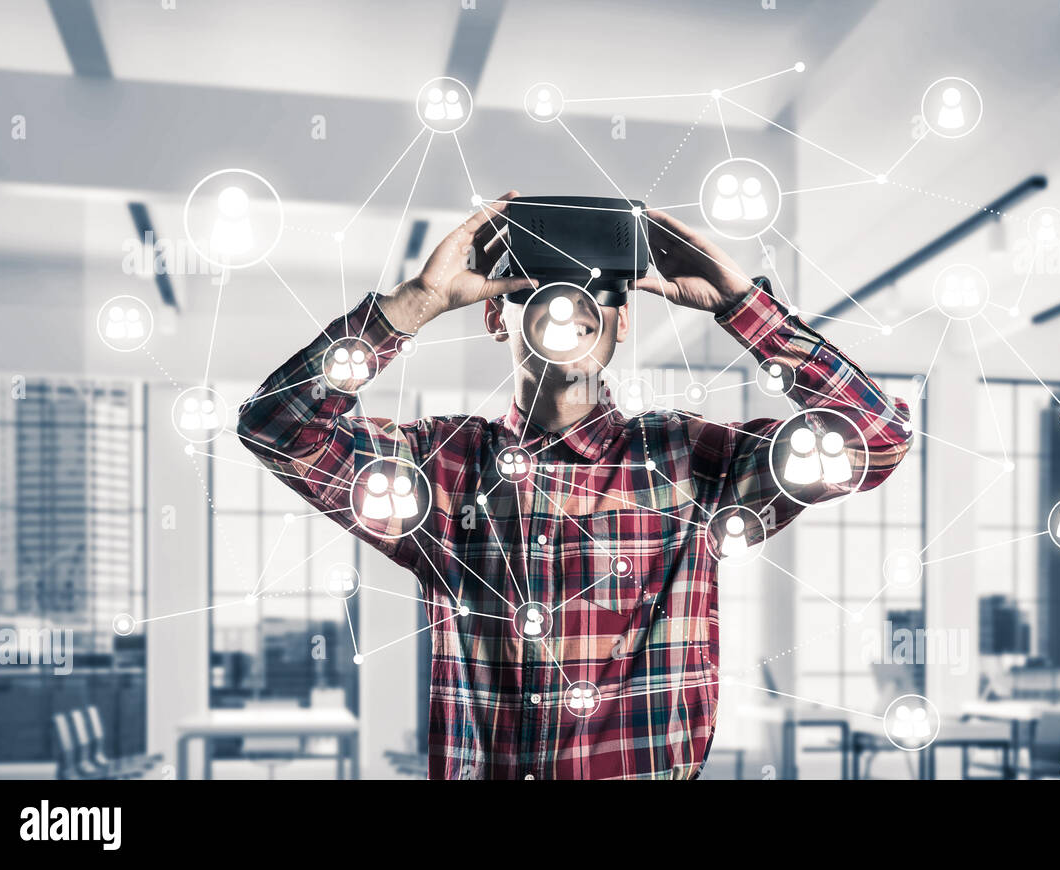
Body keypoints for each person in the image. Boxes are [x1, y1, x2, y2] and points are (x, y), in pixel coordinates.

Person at [237, 191, 913, 780]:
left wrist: (745, 308)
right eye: (540, 293)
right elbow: (275, 425)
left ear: (622, 321)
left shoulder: (688, 463)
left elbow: (879, 438)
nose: (570, 311)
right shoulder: (441, 466)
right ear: (498, 315)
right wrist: (412, 305)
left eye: (597, 298)